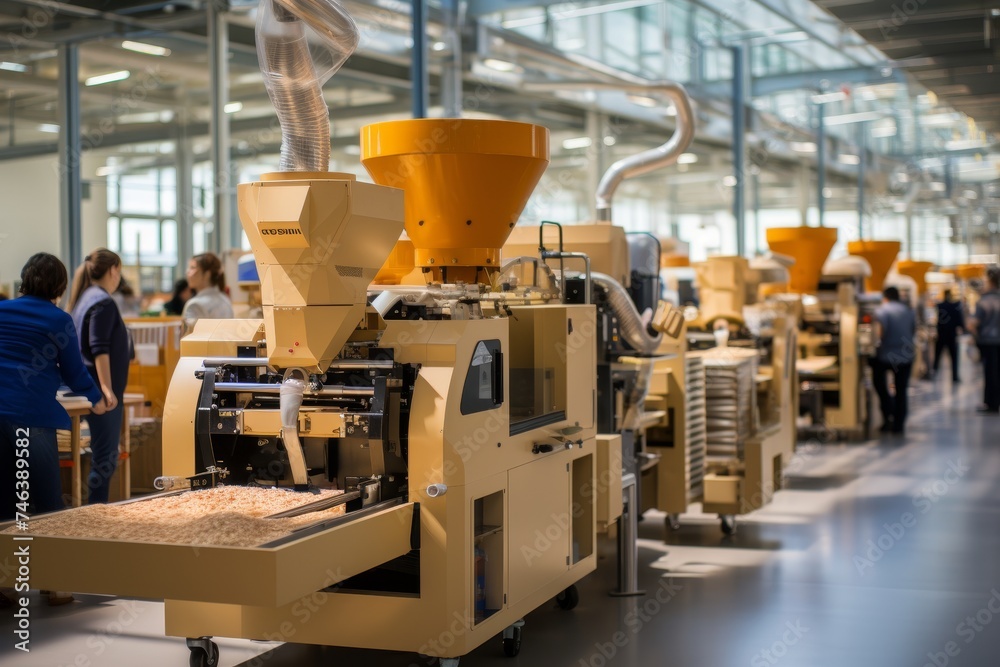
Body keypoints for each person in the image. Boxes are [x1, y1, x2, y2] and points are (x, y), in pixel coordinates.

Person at [0, 253, 108, 607]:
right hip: (32, 419)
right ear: (60, 287)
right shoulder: (58, 319)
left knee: (4, 499)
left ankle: (4, 584)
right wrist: (98, 398)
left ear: (24, 280)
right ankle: (54, 585)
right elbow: (75, 373)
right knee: (45, 503)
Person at [69, 249, 134, 504]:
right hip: (101, 390)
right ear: (113, 270)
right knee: (105, 459)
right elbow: (100, 349)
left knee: (102, 457)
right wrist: (107, 389)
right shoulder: (102, 301)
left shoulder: (84, 297)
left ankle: (93, 512)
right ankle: (96, 515)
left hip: (86, 386)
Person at [870, 286, 917, 435]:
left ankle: (887, 415)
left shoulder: (882, 310)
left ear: (885, 297)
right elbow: (913, 330)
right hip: (905, 355)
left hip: (886, 356)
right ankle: (899, 425)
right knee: (901, 389)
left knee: (879, 384)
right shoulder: (909, 311)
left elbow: (880, 333)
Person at [969, 267, 1000, 414]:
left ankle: (990, 403)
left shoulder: (983, 301)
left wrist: (975, 336)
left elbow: (973, 323)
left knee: (990, 372)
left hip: (987, 341)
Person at [183, 252, 233, 329]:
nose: (187, 272)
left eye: (192, 268)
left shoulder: (195, 305)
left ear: (207, 274)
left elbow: (190, 338)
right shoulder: (225, 299)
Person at [933, 289, 965, 383]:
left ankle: (934, 373)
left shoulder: (940, 306)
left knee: (937, 355)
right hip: (952, 334)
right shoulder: (955, 306)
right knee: (954, 357)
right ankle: (954, 376)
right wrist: (962, 328)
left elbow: (938, 320)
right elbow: (959, 320)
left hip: (941, 334)